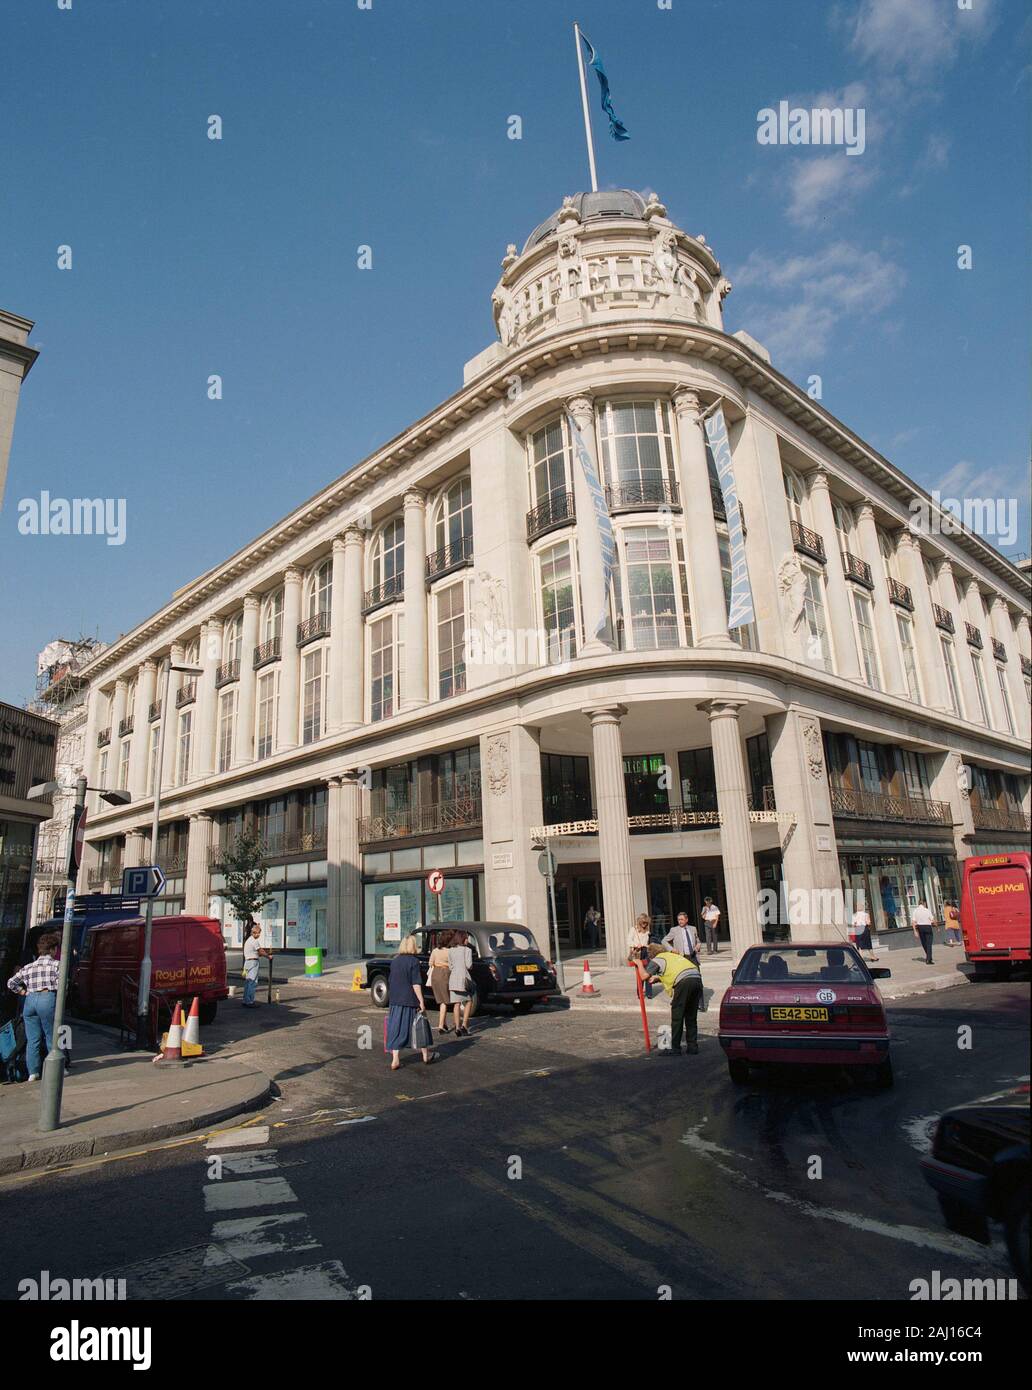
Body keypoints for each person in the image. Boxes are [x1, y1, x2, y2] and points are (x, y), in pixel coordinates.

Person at [6, 931, 60, 1081]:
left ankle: (33, 1073)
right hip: (47, 997)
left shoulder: (29, 966)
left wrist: (23, 992)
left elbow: (11, 983)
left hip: (30, 1000)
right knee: (51, 1036)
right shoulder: (57, 965)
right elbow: (62, 985)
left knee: (32, 1039)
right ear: (53, 949)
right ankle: (54, 1069)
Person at [635, 943, 703, 1055]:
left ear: (651, 955)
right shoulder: (672, 956)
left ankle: (675, 1048)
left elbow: (644, 976)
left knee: (677, 1015)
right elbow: (675, 971)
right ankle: (692, 1047)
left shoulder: (658, 959)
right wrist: (658, 979)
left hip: (684, 982)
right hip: (696, 978)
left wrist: (639, 963)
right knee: (691, 1015)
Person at [386, 934, 437, 1069]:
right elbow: (416, 984)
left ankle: (395, 1059)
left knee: (396, 1028)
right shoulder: (414, 962)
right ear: (413, 946)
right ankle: (426, 1055)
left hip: (396, 999)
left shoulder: (395, 961)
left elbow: (391, 980)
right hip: (410, 999)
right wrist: (421, 1001)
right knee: (420, 1027)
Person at [448, 929, 474, 1037]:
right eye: (467, 938)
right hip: (464, 979)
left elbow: (450, 966)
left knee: (456, 1004)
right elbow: (469, 965)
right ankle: (464, 1025)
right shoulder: (467, 950)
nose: (468, 940)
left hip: (453, 979)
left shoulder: (451, 950)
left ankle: (457, 1027)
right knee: (469, 1001)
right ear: (463, 938)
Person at [428, 930, 454, 1032]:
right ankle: (441, 1025)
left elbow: (430, 963)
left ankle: (444, 1023)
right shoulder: (450, 952)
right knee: (444, 1001)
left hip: (435, 974)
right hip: (445, 974)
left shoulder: (435, 951)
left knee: (441, 1000)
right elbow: (452, 965)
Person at [242, 922, 271, 1007]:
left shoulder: (248, 940)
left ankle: (245, 1000)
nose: (259, 935)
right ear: (254, 933)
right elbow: (261, 951)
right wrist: (268, 956)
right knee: (253, 982)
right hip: (253, 962)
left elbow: (255, 952)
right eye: (259, 933)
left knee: (247, 982)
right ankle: (250, 1001)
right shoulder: (254, 941)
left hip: (247, 963)